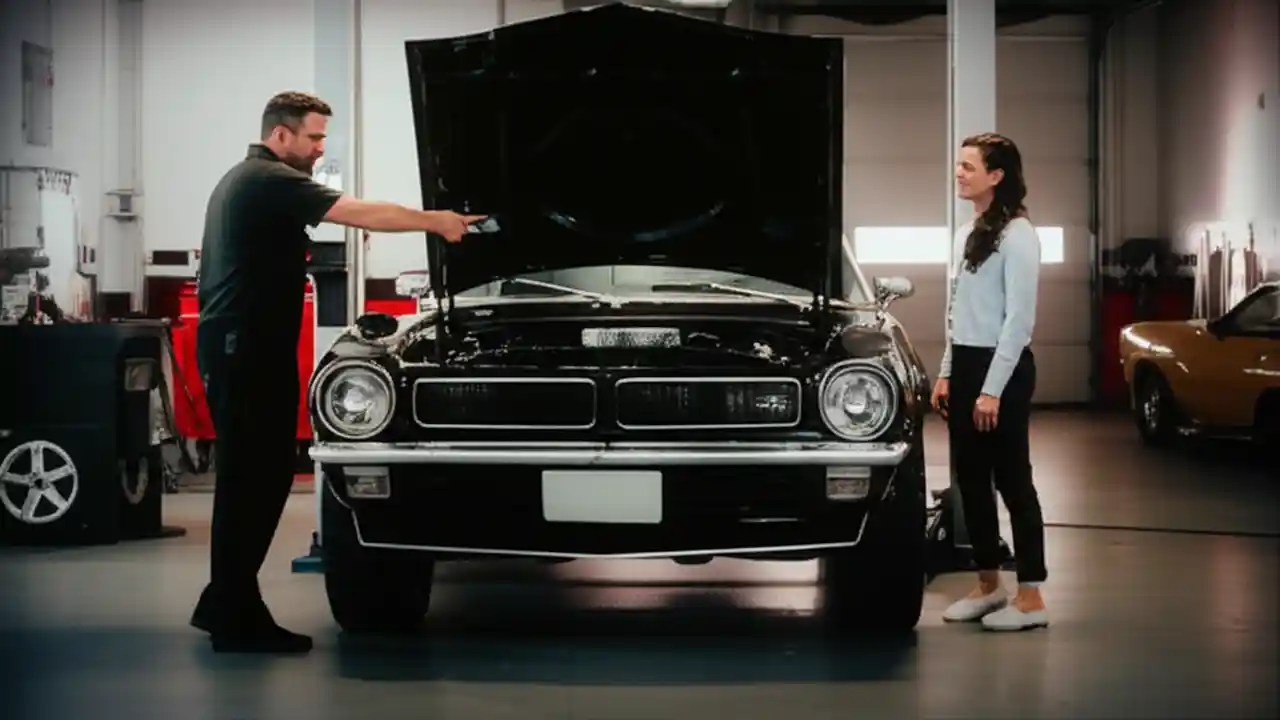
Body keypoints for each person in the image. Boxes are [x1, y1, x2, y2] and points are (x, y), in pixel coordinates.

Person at [189, 91, 485, 653]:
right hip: (245, 348)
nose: (321, 149)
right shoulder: (266, 179)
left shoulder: (246, 179)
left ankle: (227, 601)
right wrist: (438, 221)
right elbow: (359, 212)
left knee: (254, 476)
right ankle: (231, 610)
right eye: (314, 137)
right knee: (256, 477)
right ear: (280, 135)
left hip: (241, 346)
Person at [932, 132, 1049, 632]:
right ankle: (988, 585)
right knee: (971, 482)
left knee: (1012, 481)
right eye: (957, 165)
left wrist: (991, 389)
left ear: (996, 176)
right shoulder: (967, 231)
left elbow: (1018, 322)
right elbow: (960, 312)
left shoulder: (1019, 235)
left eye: (969, 166)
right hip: (967, 364)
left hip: (1003, 369)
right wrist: (946, 370)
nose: (959, 173)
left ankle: (1031, 597)